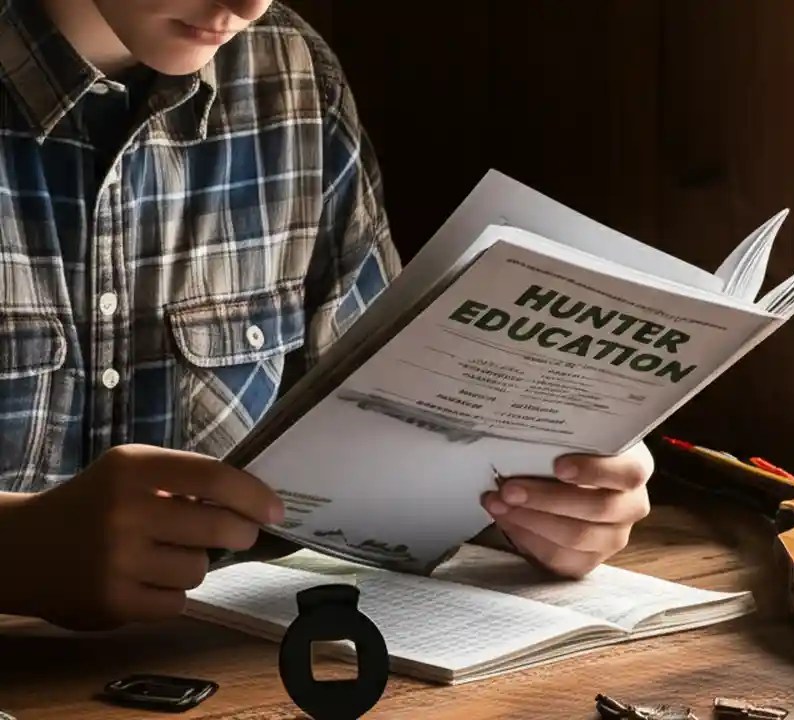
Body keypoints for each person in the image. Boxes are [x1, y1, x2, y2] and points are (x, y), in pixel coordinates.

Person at [0, 0, 654, 632]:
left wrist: (531, 499)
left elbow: (378, 434)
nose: (250, 5)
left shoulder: (291, 74)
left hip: (233, 667)